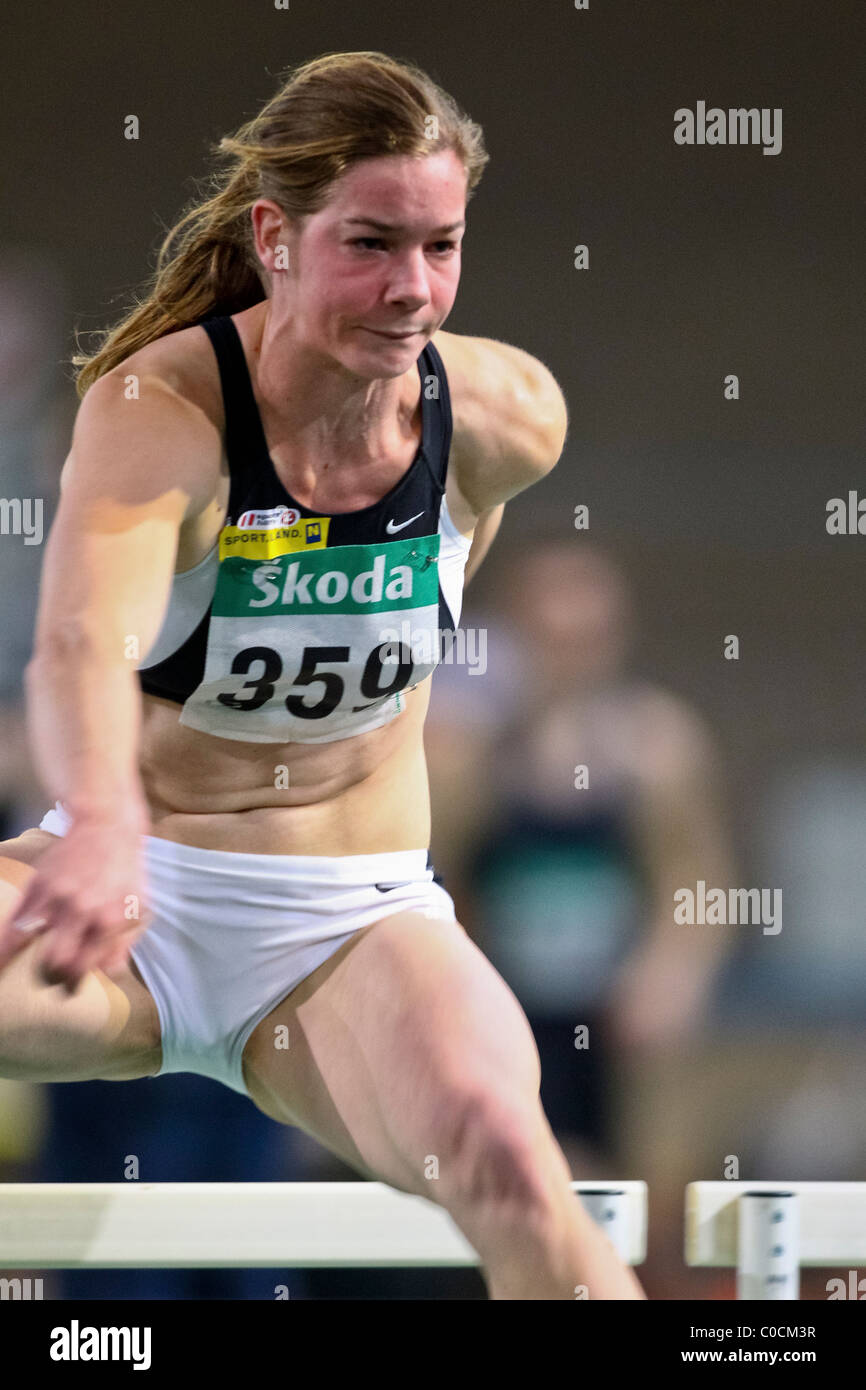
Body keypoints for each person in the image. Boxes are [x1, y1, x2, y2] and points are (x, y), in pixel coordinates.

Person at [0, 50, 644, 1300]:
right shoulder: (163, 414)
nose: (413, 290)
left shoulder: (506, 419)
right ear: (274, 236)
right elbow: (83, 643)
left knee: (513, 1161)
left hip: (345, 928)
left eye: (440, 246)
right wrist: (107, 830)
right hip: (129, 900)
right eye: (369, 244)